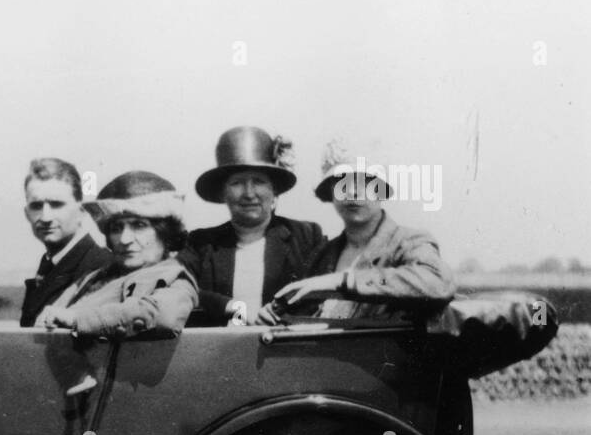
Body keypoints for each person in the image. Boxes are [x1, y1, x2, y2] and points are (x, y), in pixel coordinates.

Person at [263, 149, 456, 323]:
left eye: (365, 182)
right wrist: (275, 314)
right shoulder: (324, 253)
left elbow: (438, 282)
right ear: (330, 191)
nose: (353, 192)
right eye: (342, 182)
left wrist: (346, 281)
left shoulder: (408, 242)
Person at [178, 126, 324, 325]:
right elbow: (179, 286)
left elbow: (322, 290)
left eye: (259, 181)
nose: (249, 193)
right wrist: (234, 308)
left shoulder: (306, 237)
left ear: (274, 190)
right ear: (223, 193)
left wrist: (279, 315)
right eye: (237, 183)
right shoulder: (201, 244)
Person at [38, 171, 197, 339]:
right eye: (116, 228)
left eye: (139, 225)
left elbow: (164, 316)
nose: (124, 239)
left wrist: (78, 319)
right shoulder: (93, 278)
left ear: (165, 234)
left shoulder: (174, 278)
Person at [19, 158, 114, 327]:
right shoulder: (51, 264)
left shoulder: (101, 268)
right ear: (26, 213)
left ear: (81, 211)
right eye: (36, 206)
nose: (46, 217)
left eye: (57, 204)